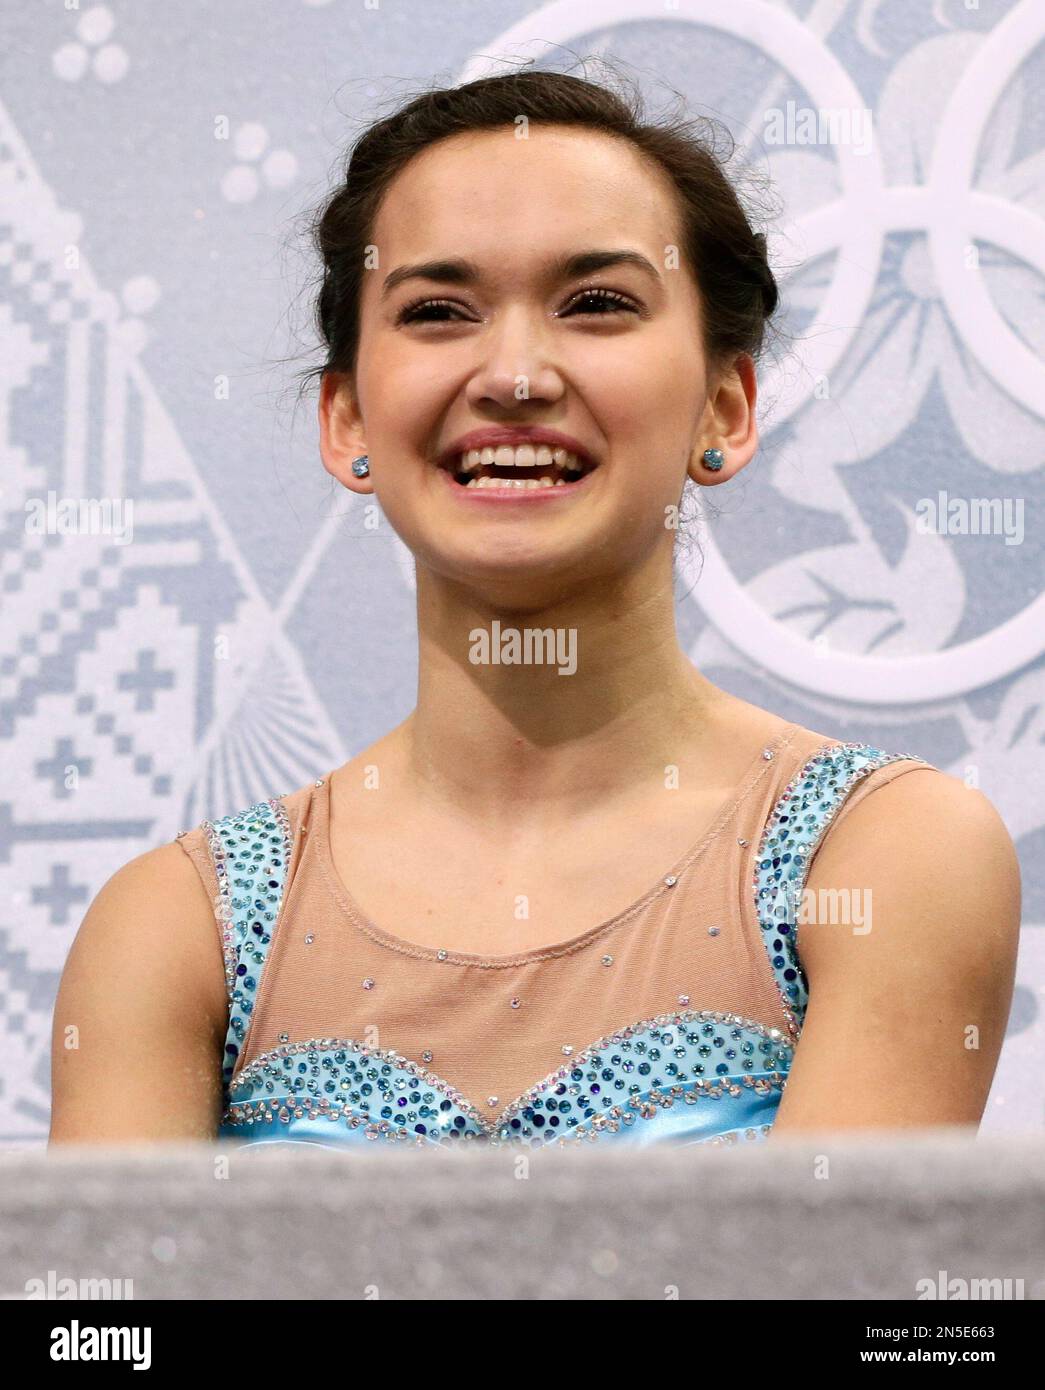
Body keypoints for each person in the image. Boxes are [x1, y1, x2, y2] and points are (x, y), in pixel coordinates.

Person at [49, 66, 1020, 1149]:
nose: (514, 373)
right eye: (437, 312)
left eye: (596, 304)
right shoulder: (181, 928)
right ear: (347, 420)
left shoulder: (880, 858)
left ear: (726, 405)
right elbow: (102, 1323)